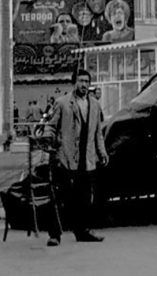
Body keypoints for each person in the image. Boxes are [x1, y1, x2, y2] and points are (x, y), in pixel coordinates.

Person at [43, 68, 108, 246]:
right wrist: (49, 142)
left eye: (87, 81)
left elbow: (98, 133)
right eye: (80, 81)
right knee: (60, 197)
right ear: (74, 83)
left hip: (86, 160)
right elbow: (51, 126)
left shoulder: (94, 104)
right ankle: (55, 234)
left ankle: (83, 232)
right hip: (65, 158)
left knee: (85, 198)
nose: (84, 85)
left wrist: (102, 152)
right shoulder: (62, 103)